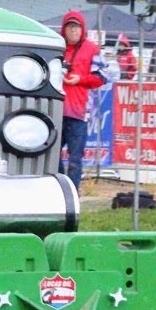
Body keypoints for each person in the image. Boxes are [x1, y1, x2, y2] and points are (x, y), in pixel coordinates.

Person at [58, 10, 106, 190]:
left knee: (75, 158)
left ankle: (72, 192)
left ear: (82, 29)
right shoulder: (56, 47)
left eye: (76, 27)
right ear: (64, 29)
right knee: (53, 155)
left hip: (79, 112)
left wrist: (81, 79)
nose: (73, 31)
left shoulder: (92, 50)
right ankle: (60, 189)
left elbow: (102, 78)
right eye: (70, 27)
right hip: (55, 110)